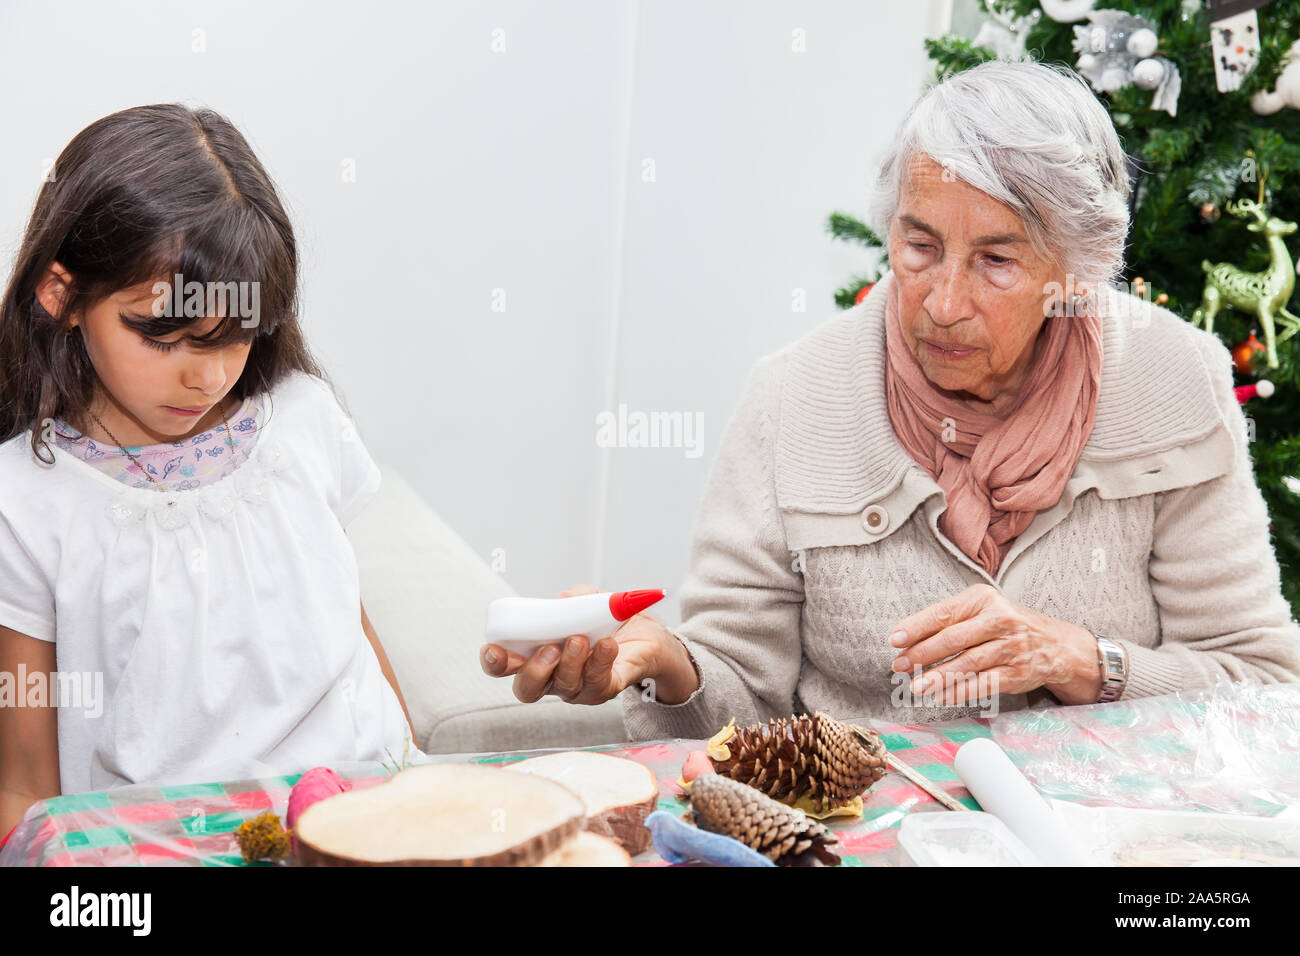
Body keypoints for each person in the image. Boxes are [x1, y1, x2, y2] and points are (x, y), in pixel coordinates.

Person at [480, 59, 1300, 738]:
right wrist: (666, 662)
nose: (942, 302)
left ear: (1072, 271)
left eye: (996, 261)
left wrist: (1085, 661)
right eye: (920, 244)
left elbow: (1262, 687)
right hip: (866, 827)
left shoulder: (1170, 379)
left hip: (1101, 832)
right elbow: (742, 696)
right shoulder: (795, 395)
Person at [0, 104, 417, 844]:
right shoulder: (24, 499)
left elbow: (351, 634)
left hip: (368, 815)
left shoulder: (300, 419)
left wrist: (413, 778)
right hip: (161, 848)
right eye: (164, 338)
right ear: (61, 296)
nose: (208, 377)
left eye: (234, 338)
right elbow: (26, 789)